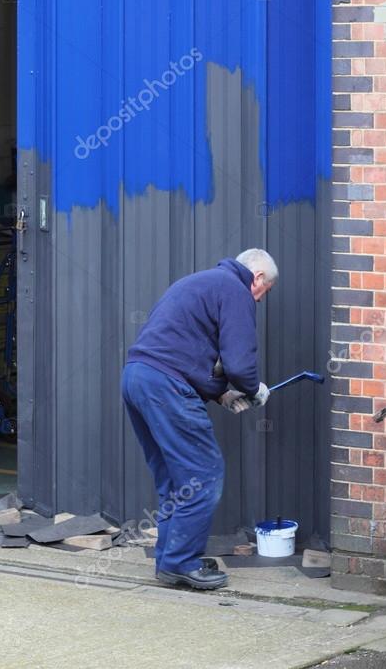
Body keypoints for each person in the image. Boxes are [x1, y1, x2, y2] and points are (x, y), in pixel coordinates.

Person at [121, 248, 278, 590]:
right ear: (259, 279)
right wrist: (253, 388)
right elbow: (239, 363)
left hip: (138, 378)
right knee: (203, 476)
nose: (259, 301)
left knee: (173, 480)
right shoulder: (237, 290)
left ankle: (170, 559)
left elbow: (182, 350)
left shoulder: (198, 283)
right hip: (166, 387)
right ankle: (181, 562)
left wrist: (221, 395)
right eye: (263, 294)